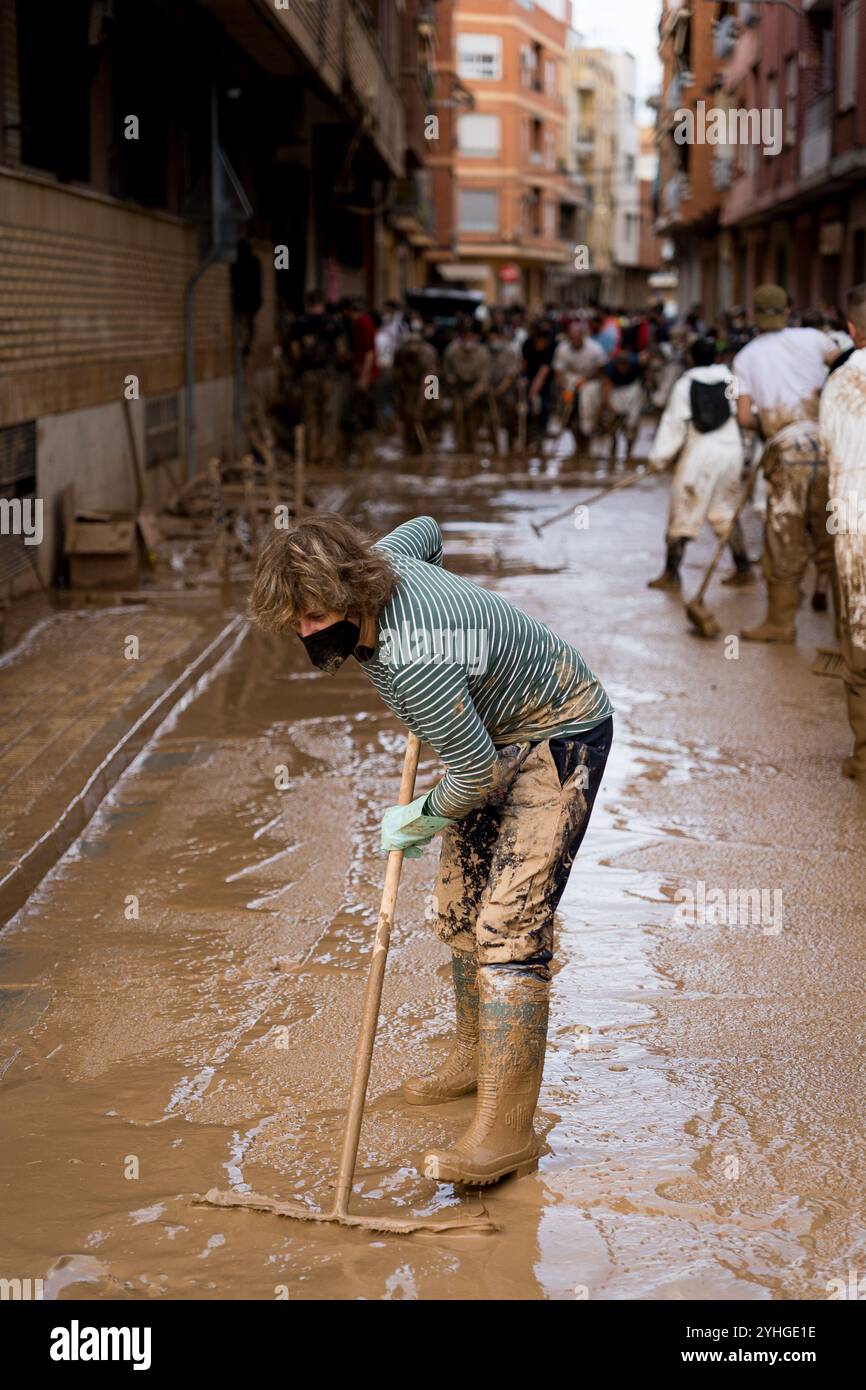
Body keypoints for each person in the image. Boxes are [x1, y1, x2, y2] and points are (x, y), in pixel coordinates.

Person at [249, 513, 614, 1186]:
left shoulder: (418, 660)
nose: (306, 633)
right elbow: (427, 528)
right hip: (492, 726)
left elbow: (471, 773)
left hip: (561, 733)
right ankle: (475, 1055)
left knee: (510, 924)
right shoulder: (385, 558)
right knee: (459, 905)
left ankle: (508, 1130)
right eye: (296, 620)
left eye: (316, 615)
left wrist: (419, 815)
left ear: (356, 591)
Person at [733, 283, 840, 642]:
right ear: (787, 310)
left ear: (754, 316)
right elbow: (845, 363)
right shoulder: (815, 338)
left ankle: (780, 623)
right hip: (828, 445)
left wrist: (767, 420)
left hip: (786, 451)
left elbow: (744, 416)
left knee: (784, 538)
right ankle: (848, 630)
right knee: (831, 539)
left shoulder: (746, 357)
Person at [647, 336, 750, 590]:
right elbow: (745, 414)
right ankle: (744, 568)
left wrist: (658, 459)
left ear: (690, 358)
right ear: (717, 357)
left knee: (683, 509)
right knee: (723, 510)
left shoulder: (685, 384)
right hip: (731, 452)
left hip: (701, 454)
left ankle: (671, 575)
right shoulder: (730, 378)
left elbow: (673, 425)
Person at [819, 283, 866, 783]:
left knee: (860, 625)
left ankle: (865, 753)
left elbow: (831, 449)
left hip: (855, 513)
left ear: (852, 330)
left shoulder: (840, 382)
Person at [289, 289, 347, 464]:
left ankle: (311, 455)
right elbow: (341, 350)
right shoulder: (334, 323)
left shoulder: (299, 323)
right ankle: (327, 455)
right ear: (323, 303)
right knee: (329, 415)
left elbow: (295, 352)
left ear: (308, 304)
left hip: (308, 375)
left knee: (310, 415)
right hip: (329, 375)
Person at [552, 317, 606, 456]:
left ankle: (590, 436)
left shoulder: (595, 349)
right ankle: (577, 443)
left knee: (589, 408)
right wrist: (564, 390)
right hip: (570, 383)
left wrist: (586, 380)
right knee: (567, 413)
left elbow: (601, 369)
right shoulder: (562, 349)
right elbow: (559, 372)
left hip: (591, 382)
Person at [443, 318, 491, 455]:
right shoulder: (451, 350)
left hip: (476, 392)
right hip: (457, 390)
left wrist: (474, 394)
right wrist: (450, 381)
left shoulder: (483, 353)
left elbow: (484, 378)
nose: (468, 339)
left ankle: (472, 446)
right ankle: (459, 446)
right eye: (465, 335)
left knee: (475, 420)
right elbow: (446, 371)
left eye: (471, 335)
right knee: (457, 417)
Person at [393, 328, 439, 455]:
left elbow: (428, 382)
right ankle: (409, 443)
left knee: (430, 411)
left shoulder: (429, 354)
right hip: (409, 382)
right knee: (407, 412)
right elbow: (397, 374)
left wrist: (419, 407)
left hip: (431, 381)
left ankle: (429, 437)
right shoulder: (401, 353)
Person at [522, 320, 556, 457]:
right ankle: (527, 429)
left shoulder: (552, 347)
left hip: (545, 379)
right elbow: (523, 363)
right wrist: (523, 380)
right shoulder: (527, 344)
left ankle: (541, 431)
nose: (541, 344)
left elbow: (544, 371)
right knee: (525, 405)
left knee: (545, 404)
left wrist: (533, 390)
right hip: (529, 375)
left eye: (544, 341)